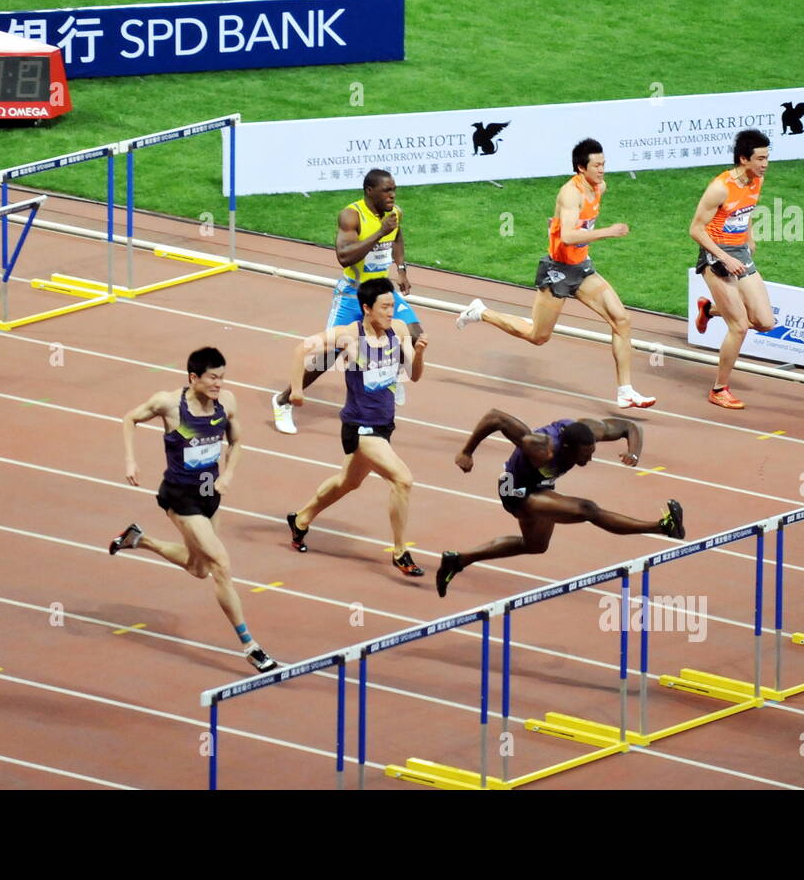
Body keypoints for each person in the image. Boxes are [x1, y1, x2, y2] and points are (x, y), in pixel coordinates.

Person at [109, 347, 279, 674]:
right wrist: (131, 459)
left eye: (222, 377)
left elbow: (238, 441)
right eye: (212, 378)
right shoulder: (168, 403)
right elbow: (130, 418)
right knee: (220, 563)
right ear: (193, 378)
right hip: (179, 497)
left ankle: (140, 540)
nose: (219, 383)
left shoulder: (227, 402)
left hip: (209, 495)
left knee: (199, 569)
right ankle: (250, 646)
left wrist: (228, 474)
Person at [455, 138, 656, 409]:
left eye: (604, 164)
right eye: (597, 165)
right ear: (580, 168)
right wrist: (608, 231)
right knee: (538, 336)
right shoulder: (569, 193)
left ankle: (625, 391)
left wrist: (558, 224)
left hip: (582, 269)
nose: (602, 170)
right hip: (558, 271)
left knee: (622, 320)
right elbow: (571, 235)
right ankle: (481, 312)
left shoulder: (599, 188)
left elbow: (572, 224)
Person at [435, 408, 685, 597]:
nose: (589, 460)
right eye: (584, 456)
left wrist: (633, 452)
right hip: (515, 490)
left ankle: (458, 560)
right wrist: (467, 452)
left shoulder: (589, 431)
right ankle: (663, 526)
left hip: (541, 485)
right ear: (566, 448)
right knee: (587, 510)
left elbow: (629, 426)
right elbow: (495, 418)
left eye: (592, 453)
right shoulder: (541, 446)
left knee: (535, 545)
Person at [284, 277, 429, 577]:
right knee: (402, 480)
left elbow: (413, 376)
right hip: (359, 427)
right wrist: (296, 390)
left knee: (348, 482)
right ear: (367, 308)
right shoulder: (348, 336)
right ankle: (400, 552)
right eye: (386, 307)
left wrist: (421, 353)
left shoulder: (399, 331)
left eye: (394, 306)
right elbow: (301, 349)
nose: (392, 313)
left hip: (384, 425)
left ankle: (301, 518)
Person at [273, 169, 424, 433]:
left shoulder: (394, 214)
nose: (392, 195)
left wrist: (401, 270)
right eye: (387, 191)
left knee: (412, 334)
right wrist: (379, 232)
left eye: (394, 190)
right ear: (369, 191)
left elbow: (397, 238)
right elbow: (344, 257)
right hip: (352, 293)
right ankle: (284, 401)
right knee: (328, 355)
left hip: (383, 291)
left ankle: (395, 377)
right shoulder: (351, 216)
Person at [689, 129, 777, 409]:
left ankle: (709, 310)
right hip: (715, 255)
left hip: (739, 252)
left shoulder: (756, 180)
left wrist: (749, 237)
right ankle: (719, 389)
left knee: (764, 322)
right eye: (760, 159)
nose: (765, 164)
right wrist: (724, 258)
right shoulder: (720, 187)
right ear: (743, 158)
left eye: (767, 158)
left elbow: (746, 210)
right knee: (739, 327)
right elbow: (696, 230)